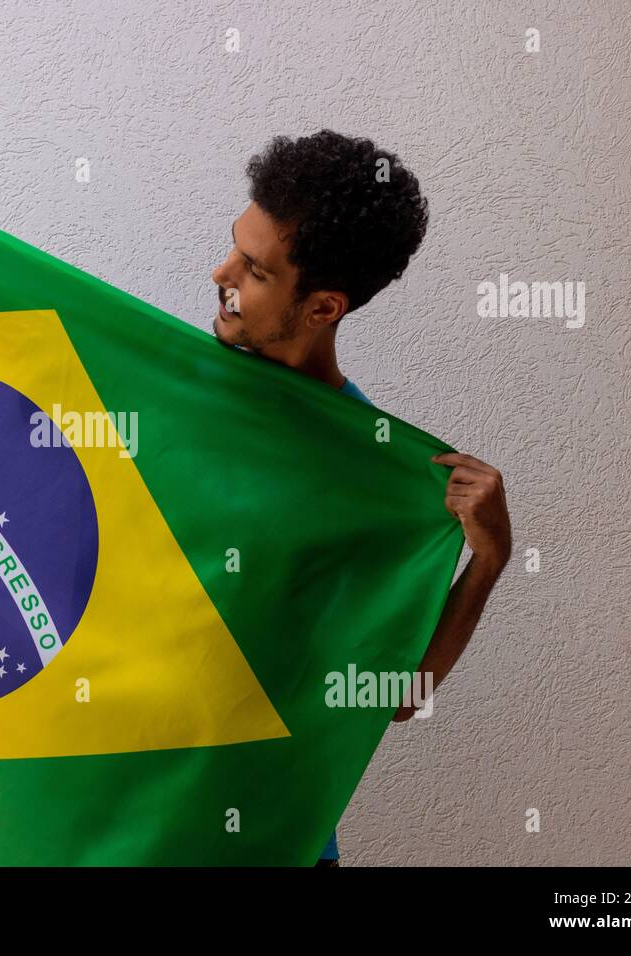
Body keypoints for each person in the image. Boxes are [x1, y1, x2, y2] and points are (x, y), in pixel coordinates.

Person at [210, 131, 513, 866]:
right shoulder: (158, 393)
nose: (220, 275)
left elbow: (396, 693)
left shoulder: (370, 471)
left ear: (323, 307)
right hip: (117, 819)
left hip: (274, 839)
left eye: (254, 269)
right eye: (233, 249)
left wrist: (488, 561)